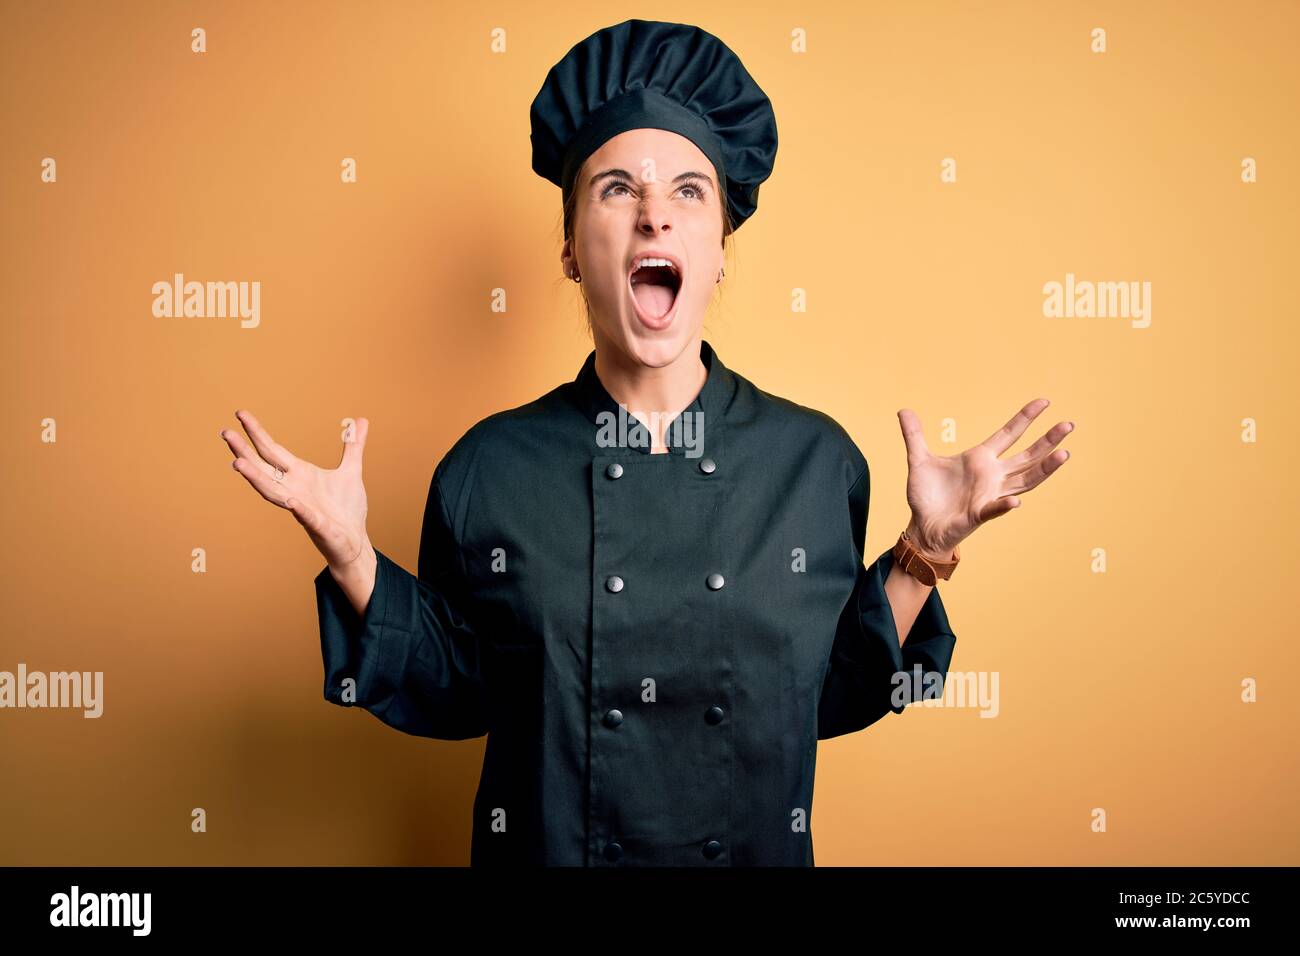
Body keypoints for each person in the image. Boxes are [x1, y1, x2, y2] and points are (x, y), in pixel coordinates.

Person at [219, 19, 1073, 866]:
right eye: (618, 188)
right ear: (569, 249)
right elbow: (463, 694)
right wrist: (351, 557)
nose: (655, 216)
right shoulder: (488, 467)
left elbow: (833, 695)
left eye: (690, 191)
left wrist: (926, 549)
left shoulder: (815, 464)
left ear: (721, 251)